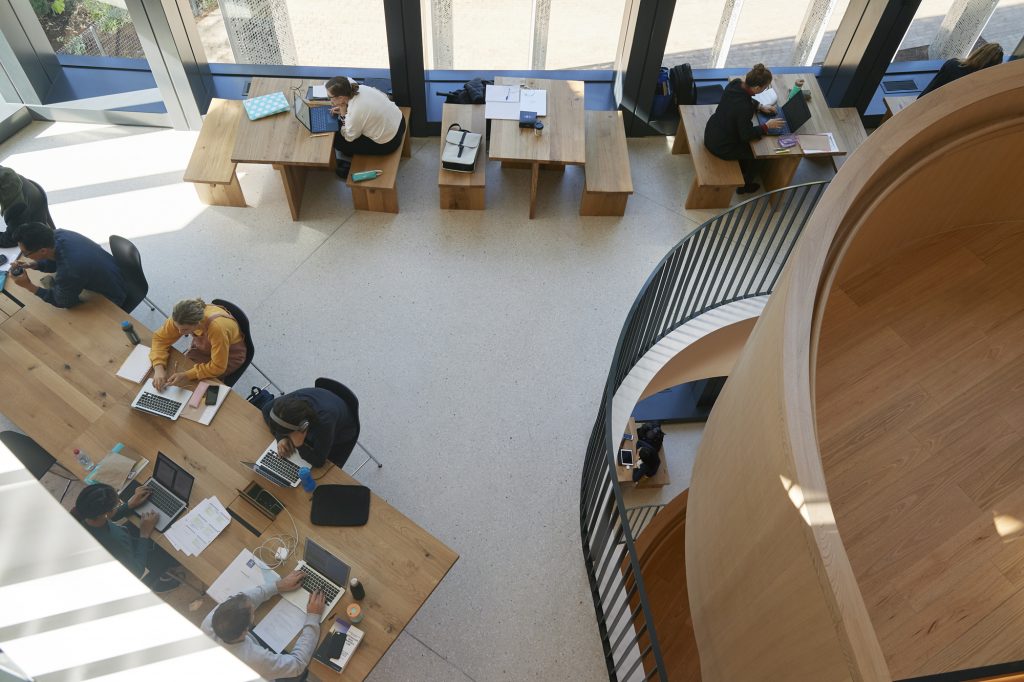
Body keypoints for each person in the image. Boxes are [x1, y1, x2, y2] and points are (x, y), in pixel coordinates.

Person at [202, 573, 324, 681]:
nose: (251, 603)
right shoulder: (254, 659)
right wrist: (313, 617)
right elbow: (297, 665)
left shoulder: (212, 621)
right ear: (246, 630)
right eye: (252, 612)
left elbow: (246, 599)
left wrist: (278, 586)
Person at [72, 483, 180, 592]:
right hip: (128, 566)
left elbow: (107, 517)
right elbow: (137, 571)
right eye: (116, 505)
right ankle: (161, 582)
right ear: (105, 514)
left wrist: (129, 505)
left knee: (136, 524)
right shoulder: (113, 542)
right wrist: (144, 533)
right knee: (172, 557)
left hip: (123, 538)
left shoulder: (81, 514)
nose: (119, 503)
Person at [704, 63, 786, 195]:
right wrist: (766, 126)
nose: (765, 90)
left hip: (712, 130)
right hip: (721, 146)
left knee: (754, 146)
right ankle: (745, 187)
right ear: (757, 88)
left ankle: (743, 165)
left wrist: (760, 106)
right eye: (765, 88)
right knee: (758, 153)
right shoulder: (745, 108)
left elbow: (743, 98)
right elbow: (746, 135)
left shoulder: (735, 84)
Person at [10, 223, 128, 310]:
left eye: (26, 254)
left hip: (112, 296)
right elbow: (57, 258)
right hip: (113, 271)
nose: (25, 256)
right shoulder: (58, 234)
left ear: (42, 251)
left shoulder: (70, 270)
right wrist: (34, 264)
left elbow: (63, 301)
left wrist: (28, 286)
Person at [149, 298, 248, 389]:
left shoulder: (217, 328)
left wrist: (187, 375)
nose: (179, 332)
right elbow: (160, 339)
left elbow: (218, 367)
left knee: (195, 387)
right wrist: (158, 367)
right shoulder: (179, 317)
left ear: (198, 323)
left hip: (230, 355)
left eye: (185, 329)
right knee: (182, 373)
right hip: (205, 348)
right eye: (177, 327)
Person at [325, 76, 405, 179]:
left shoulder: (356, 112)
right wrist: (344, 107)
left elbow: (349, 137)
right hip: (399, 120)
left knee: (338, 140)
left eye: (329, 97)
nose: (329, 100)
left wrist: (343, 111)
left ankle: (350, 158)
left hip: (390, 142)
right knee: (347, 126)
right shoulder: (359, 88)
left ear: (341, 98)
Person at [261, 388, 359, 468]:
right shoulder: (287, 403)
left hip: (342, 433)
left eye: (288, 433)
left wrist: (299, 445)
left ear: (303, 426)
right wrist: (281, 438)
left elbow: (319, 462)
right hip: (324, 410)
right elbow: (266, 410)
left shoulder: (325, 421)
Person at [919, 43, 1004, 98]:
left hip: (924, 104)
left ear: (978, 52)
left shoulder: (952, 64)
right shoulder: (982, 88)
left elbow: (934, 85)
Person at [0, 166, 52, 248]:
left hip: (34, 241)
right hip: (33, 217)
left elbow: (10, 240)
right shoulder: (6, 175)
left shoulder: (15, 206)